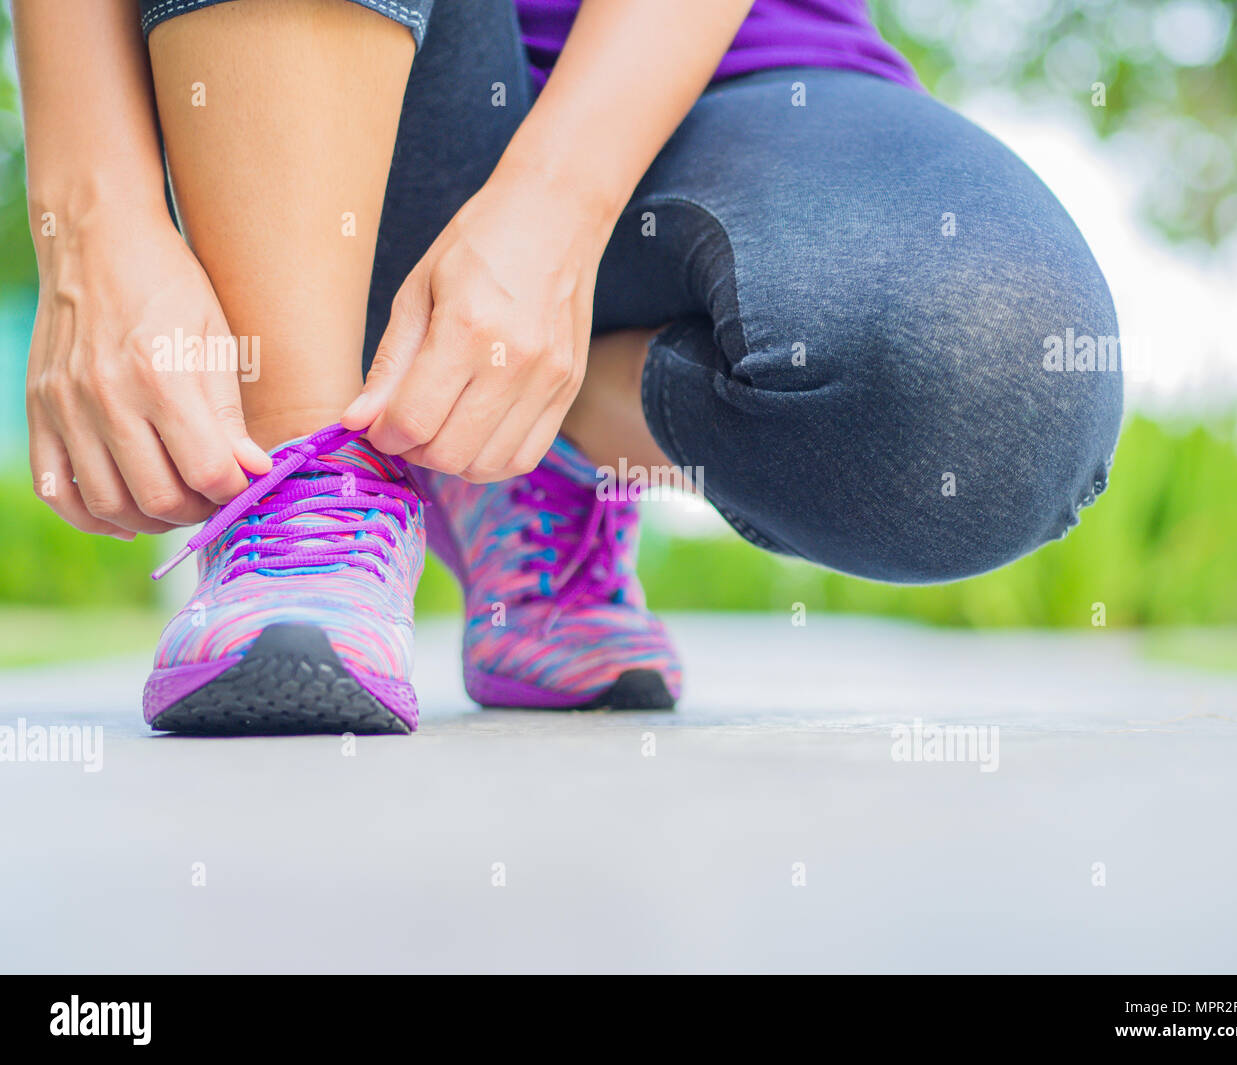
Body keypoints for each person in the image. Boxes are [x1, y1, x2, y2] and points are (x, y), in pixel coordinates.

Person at [14, 0, 1122, 735]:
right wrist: (89, 216)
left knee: (996, 379)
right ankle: (305, 486)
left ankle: (525, 450)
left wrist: (558, 205)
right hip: (316, 82)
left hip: (718, 68)